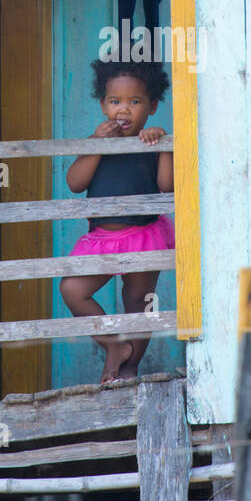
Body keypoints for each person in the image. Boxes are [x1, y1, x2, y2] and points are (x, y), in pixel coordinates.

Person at [60, 59, 174, 383]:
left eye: (135, 102)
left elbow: (167, 186)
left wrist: (163, 145)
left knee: (137, 303)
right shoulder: (96, 143)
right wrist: (97, 145)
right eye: (115, 102)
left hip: (143, 234)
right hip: (102, 239)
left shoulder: (150, 144)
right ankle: (114, 347)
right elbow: (74, 182)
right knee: (72, 288)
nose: (123, 110)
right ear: (102, 105)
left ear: (151, 106)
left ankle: (130, 369)